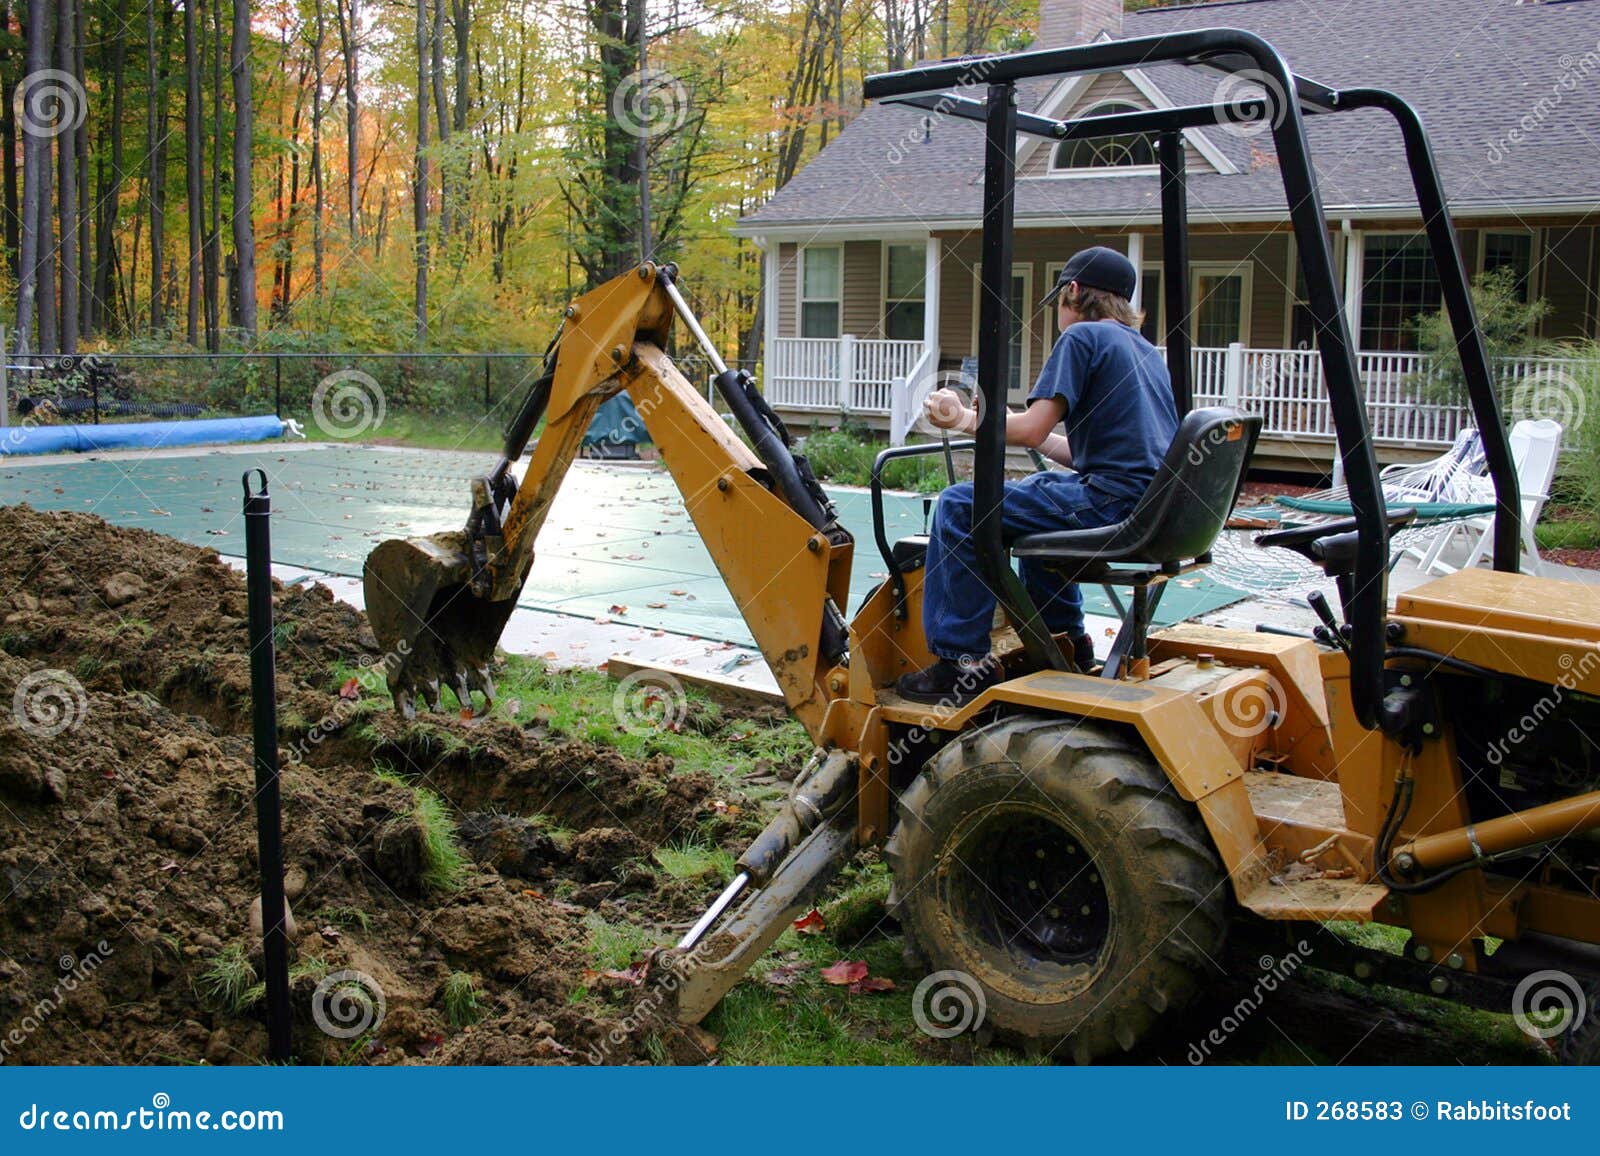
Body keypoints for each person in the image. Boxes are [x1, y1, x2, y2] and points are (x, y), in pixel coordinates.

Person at [896, 246, 1179, 704]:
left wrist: (964, 418)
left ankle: (960, 663)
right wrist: (1019, 428)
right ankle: (1065, 638)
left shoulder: (1082, 337)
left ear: (1072, 291)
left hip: (1112, 505)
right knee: (1037, 496)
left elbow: (1028, 430)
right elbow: (1075, 448)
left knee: (958, 505)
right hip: (1150, 507)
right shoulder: (1145, 351)